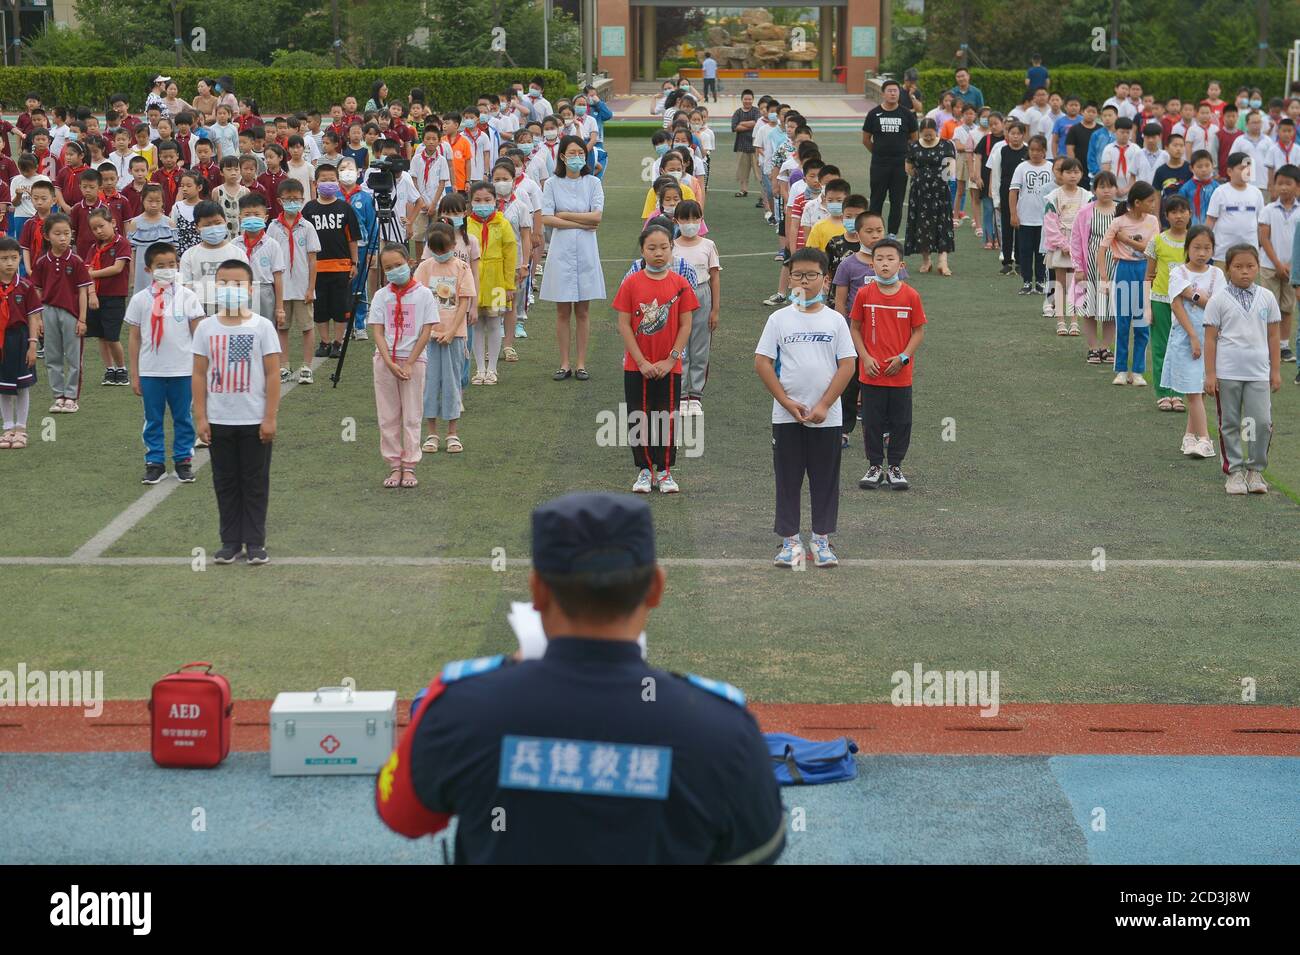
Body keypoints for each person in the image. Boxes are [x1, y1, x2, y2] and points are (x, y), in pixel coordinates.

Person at [376, 489, 784, 863]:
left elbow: (403, 816)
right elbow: (757, 851)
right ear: (656, 588)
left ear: (537, 591)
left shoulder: (458, 708)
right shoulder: (724, 731)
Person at [753, 246, 856, 568]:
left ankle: (822, 540)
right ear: (790, 277)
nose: (805, 281)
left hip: (827, 418)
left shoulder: (835, 320)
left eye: (812, 275)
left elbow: (848, 365)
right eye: (798, 275)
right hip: (787, 417)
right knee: (787, 479)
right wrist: (785, 401)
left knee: (825, 480)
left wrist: (825, 404)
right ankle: (790, 542)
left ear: (825, 280)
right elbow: (763, 362)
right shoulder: (778, 319)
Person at [191, 259, 281, 564]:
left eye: (238, 284)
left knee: (255, 482)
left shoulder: (262, 326)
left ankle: (255, 542)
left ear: (250, 288)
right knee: (225, 482)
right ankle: (230, 541)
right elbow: (200, 374)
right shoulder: (206, 327)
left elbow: (272, 374)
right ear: (216, 287)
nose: (231, 289)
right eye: (224, 284)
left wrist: (270, 417)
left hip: (254, 420)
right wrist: (201, 417)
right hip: (219, 420)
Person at [613, 221, 697, 495]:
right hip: (637, 366)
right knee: (639, 416)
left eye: (664, 247)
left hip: (669, 367)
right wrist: (641, 362)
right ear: (642, 251)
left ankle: (664, 470)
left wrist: (671, 360)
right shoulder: (631, 283)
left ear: (672, 249)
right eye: (652, 248)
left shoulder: (681, 284)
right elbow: (624, 325)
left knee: (666, 417)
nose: (658, 253)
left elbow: (686, 325)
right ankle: (644, 469)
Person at [848, 238, 926, 490]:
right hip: (871, 373)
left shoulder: (911, 295)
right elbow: (855, 329)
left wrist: (903, 358)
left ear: (900, 265)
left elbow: (918, 332)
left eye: (890, 259)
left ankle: (895, 467)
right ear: (871, 265)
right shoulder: (864, 294)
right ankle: (874, 466)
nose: (884, 264)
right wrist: (866, 358)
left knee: (901, 421)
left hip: (900, 375)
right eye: (879, 259)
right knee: (872, 421)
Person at [1204, 244, 1281, 495]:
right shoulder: (1218, 300)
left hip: (1258, 371)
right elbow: (1210, 339)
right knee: (1230, 422)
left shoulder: (1267, 298)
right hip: (1228, 372)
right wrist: (1211, 374)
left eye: (1250, 266)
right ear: (1227, 269)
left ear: (1258, 268)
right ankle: (1234, 471)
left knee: (1261, 422)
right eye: (1238, 267)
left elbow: (1273, 336)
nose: (1245, 272)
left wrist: (1275, 371)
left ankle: (1255, 470)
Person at [126, 241, 204, 483]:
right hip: (151, 371)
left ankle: (183, 460)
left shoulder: (188, 296)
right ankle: (155, 462)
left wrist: (202, 369)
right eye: (161, 265)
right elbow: (135, 337)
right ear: (148, 269)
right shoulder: (140, 300)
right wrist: (135, 373)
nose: (167, 269)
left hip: (183, 369)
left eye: (172, 264)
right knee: (153, 418)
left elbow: (197, 333)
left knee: (183, 416)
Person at [368, 242, 435, 490]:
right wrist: (387, 360)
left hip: (414, 361)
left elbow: (427, 330)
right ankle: (394, 465)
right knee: (388, 415)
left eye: (398, 265)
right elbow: (377, 329)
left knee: (412, 414)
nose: (394, 270)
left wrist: (408, 362)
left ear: (410, 262)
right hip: (385, 362)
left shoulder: (424, 294)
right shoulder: (381, 295)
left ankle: (410, 465)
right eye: (388, 268)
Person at [540, 135, 604, 382]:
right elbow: (547, 217)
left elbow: (596, 217)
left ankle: (581, 364)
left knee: (584, 312)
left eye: (581, 152)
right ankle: (564, 363)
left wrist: (564, 214)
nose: (577, 157)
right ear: (563, 156)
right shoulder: (552, 184)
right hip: (561, 251)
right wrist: (580, 219)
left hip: (586, 251)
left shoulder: (593, 183)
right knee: (563, 311)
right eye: (572, 153)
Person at [1161, 225, 1222, 459]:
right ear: (1187, 249)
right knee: (1193, 392)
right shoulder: (1178, 272)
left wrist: (1192, 295)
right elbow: (1176, 304)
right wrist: (1193, 337)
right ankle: (1206, 439)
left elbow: (1215, 305)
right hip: (1186, 339)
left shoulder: (1217, 274)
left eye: (1207, 248)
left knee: (1201, 389)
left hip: (1211, 339)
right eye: (1197, 247)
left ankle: (1189, 436)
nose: (1202, 252)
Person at [414, 223, 474, 456]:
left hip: (454, 336)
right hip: (428, 337)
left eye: (444, 249)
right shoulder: (425, 267)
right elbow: (418, 300)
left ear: (453, 245)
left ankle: (452, 432)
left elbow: (464, 302)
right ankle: (431, 432)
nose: (441, 255)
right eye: (436, 251)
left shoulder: (461, 267)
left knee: (452, 383)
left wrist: (451, 332)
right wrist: (429, 332)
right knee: (428, 384)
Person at [31, 213, 90, 414]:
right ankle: (58, 396)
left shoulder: (76, 261)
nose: (63, 238)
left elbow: (83, 292)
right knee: (52, 357)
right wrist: (38, 319)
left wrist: (82, 319)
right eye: (58, 234)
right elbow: (37, 292)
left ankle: (72, 397)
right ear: (47, 236)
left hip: (72, 313)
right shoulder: (41, 262)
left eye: (66, 233)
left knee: (74, 358)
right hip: (48, 312)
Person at [1102, 180, 1160, 386]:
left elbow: (1150, 248)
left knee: (1142, 322)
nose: (1153, 204)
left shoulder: (1153, 221)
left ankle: (1137, 371)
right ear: (1137, 202)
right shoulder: (1118, 222)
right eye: (1150, 201)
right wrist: (1105, 279)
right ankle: (1120, 370)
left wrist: (1126, 240)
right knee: (1123, 322)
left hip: (1145, 271)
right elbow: (1102, 249)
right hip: (1123, 270)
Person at [302, 164, 360, 359]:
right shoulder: (309, 209)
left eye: (331, 179)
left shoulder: (345, 208)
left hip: (341, 266)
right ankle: (325, 341)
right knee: (320, 308)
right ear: (316, 183)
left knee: (340, 307)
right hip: (316, 268)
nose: (328, 183)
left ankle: (337, 342)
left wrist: (354, 263)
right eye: (323, 180)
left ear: (338, 181)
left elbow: (352, 238)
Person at [266, 179, 320, 383]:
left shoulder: (307, 227)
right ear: (280, 201)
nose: (292, 203)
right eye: (288, 199)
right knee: (282, 327)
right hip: (281, 288)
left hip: (302, 286)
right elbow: (270, 257)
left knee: (307, 327)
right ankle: (284, 365)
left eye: (296, 199)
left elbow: (313, 260)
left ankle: (307, 366)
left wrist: (311, 287)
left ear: (303, 200)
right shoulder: (273, 227)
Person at [1143, 195, 1192, 411]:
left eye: (1183, 211)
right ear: (1166, 216)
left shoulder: (1194, 241)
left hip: (1187, 301)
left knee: (1182, 346)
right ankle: (1163, 393)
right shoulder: (1158, 241)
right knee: (1161, 345)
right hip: (1161, 299)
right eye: (1174, 212)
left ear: (1190, 214)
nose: (1179, 216)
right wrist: (1147, 307)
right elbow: (1149, 276)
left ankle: (1178, 393)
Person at [671, 201, 718, 417]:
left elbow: (715, 278)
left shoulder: (708, 245)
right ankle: (680, 395)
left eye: (695, 219)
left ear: (701, 220)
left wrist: (715, 310)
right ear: (676, 221)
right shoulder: (672, 246)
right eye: (685, 219)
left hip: (701, 294)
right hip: (678, 297)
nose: (691, 224)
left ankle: (695, 395)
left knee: (700, 347)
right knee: (680, 347)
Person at [1069, 171, 1119, 364]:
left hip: (1115, 266)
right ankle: (1092, 348)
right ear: (1095, 189)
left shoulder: (1122, 211)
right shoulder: (1086, 211)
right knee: (1089, 307)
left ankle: (1106, 347)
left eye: (1110, 186)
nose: (1106, 191)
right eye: (1102, 187)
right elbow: (1076, 240)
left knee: (1110, 309)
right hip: (1090, 265)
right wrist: (1078, 267)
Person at [0, 236, 42, 450]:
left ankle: (21, 428)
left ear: (19, 260)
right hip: (1, 340)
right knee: (3, 388)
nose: (9, 263)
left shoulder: (26, 286)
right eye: (4, 258)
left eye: (13, 258)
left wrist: (33, 345)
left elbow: (34, 317)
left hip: (21, 339)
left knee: (22, 386)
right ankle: (7, 428)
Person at [862, 80, 919, 238]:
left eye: (896, 91)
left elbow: (914, 139)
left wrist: (907, 157)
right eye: (890, 91)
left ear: (899, 94)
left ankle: (892, 233)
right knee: (876, 200)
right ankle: (874, 231)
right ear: (883, 93)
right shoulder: (874, 114)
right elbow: (866, 139)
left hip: (900, 165)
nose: (893, 93)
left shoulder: (906, 114)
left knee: (897, 201)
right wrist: (878, 152)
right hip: (879, 164)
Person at [1042, 157, 1091, 336]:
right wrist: (1063, 243)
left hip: (1079, 244)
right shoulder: (1053, 196)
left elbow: (1089, 221)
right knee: (1061, 284)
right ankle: (1061, 320)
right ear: (1061, 174)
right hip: (1061, 244)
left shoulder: (1087, 196)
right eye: (1068, 172)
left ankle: (1074, 320)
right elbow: (1050, 223)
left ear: (1082, 174)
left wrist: (1078, 244)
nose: (1072, 176)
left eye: (1076, 172)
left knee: (1077, 284)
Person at [84, 208, 132, 386]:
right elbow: (86, 273)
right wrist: (91, 294)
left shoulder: (122, 244)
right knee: (101, 336)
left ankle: (121, 369)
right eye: (94, 228)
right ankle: (109, 369)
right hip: (96, 296)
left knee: (112, 336)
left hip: (114, 297)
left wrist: (93, 274)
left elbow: (117, 268)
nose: (98, 231)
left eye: (101, 226)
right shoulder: (93, 248)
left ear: (112, 223)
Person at [904, 119, 956, 275]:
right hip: (920, 192)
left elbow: (950, 167)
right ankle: (926, 261)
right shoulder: (913, 146)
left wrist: (939, 180)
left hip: (940, 191)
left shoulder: (946, 145)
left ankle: (943, 262)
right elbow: (909, 168)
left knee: (943, 223)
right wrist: (921, 178)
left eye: (931, 135)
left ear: (936, 131)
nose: (927, 138)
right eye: (925, 135)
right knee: (922, 225)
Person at [1258, 164, 1297, 364]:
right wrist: (1279, 264)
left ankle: (1283, 345)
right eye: (1279, 183)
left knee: (1287, 307)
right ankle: (1266, 344)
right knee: (1269, 306)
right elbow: (1264, 239)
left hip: (1294, 269)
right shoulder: (1268, 210)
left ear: (1297, 187)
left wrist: (1291, 266)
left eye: (1288, 183)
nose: (1283, 187)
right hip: (1269, 266)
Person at [181, 200, 248, 315]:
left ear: (225, 222)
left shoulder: (238, 253)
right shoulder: (189, 255)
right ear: (197, 227)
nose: (213, 228)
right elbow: (185, 286)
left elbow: (245, 282)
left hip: (230, 307)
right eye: (207, 225)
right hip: (199, 307)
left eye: (217, 223)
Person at [235, 193, 285, 347]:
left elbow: (278, 277)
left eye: (256, 214)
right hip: (241, 292)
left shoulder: (272, 245)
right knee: (241, 333)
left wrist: (279, 308)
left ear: (265, 217)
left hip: (264, 292)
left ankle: (266, 367)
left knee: (265, 335)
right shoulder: (234, 244)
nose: (252, 218)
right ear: (239, 217)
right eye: (247, 214)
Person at [1009, 134, 1054, 296]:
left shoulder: (1051, 167)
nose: (1035, 153)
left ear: (1045, 151)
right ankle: (1027, 281)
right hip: (1025, 217)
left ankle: (1041, 282)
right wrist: (1014, 214)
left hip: (1045, 219)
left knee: (1042, 252)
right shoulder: (1021, 168)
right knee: (1026, 251)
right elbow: (1013, 191)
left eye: (1039, 150)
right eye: (1032, 150)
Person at [1206, 153, 1265, 264]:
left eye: (1249, 168)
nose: (1247, 171)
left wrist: (1261, 245)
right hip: (1223, 254)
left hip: (1250, 254)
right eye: (1242, 168)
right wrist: (1207, 244)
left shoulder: (1256, 193)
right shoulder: (1220, 192)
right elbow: (1211, 220)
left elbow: (1261, 223)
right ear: (1229, 171)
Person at [990, 120, 1028, 275]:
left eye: (1019, 134)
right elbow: (996, 176)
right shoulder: (1001, 151)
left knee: (1021, 230)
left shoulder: (1027, 151)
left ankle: (1020, 262)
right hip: (1006, 194)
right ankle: (1006, 262)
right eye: (1012, 133)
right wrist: (996, 199)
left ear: (1023, 135)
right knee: (1006, 230)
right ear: (1007, 134)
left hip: (1023, 195)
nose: (1016, 137)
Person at [730, 90, 762, 198]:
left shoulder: (757, 111)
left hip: (756, 146)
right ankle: (743, 190)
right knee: (743, 171)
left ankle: (764, 193)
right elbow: (735, 127)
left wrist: (742, 123)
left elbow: (757, 123)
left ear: (753, 100)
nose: (747, 101)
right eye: (745, 99)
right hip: (742, 146)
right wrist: (751, 124)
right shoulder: (737, 112)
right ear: (742, 100)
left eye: (749, 99)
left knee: (759, 172)